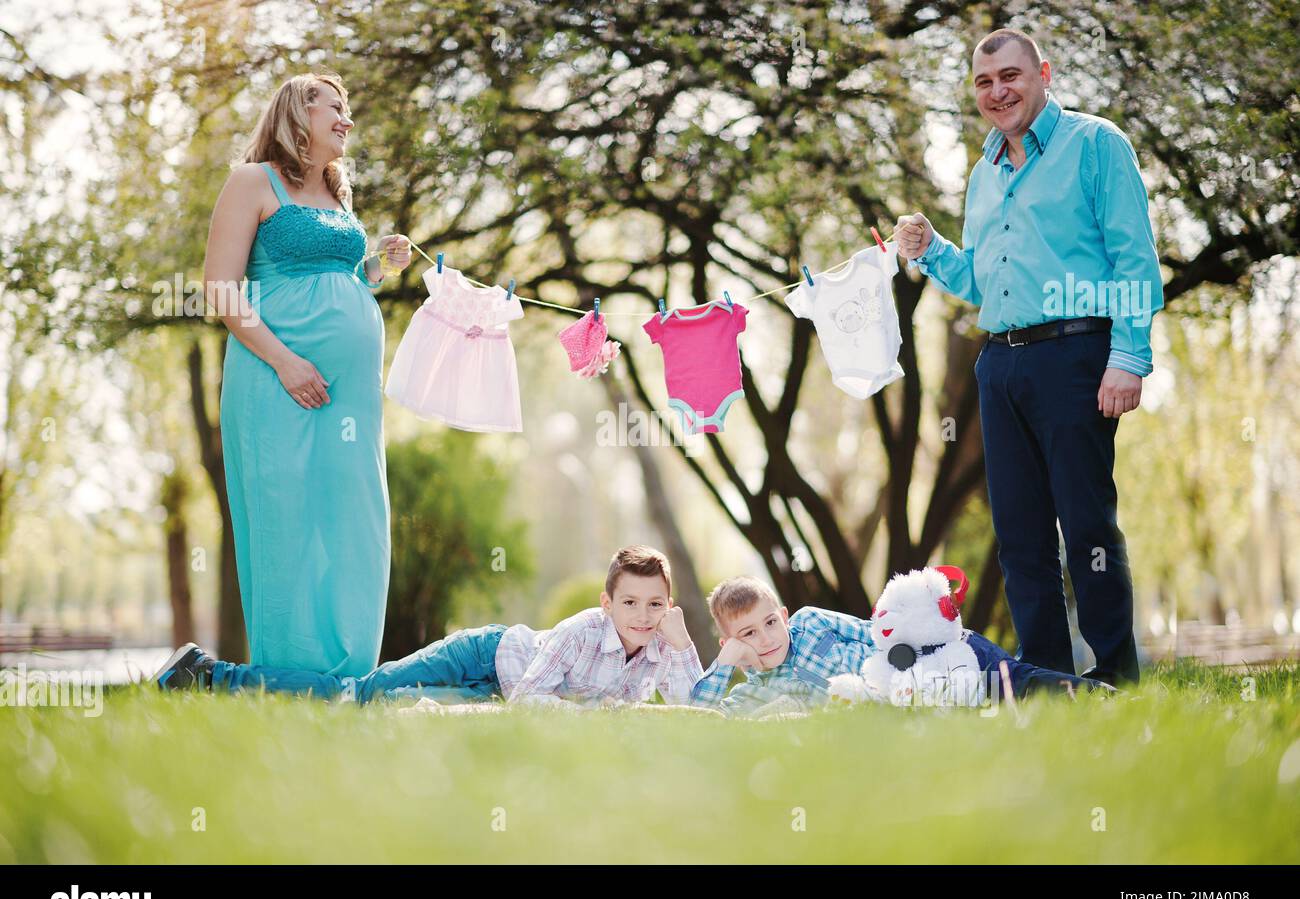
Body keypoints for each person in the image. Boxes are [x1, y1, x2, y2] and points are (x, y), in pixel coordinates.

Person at [893, 28, 1163, 685]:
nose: (998, 92)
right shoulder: (985, 172)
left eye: (1010, 76)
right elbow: (983, 282)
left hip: (1076, 355)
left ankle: (1114, 676)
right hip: (1001, 364)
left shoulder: (1096, 145)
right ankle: (1044, 678)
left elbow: (1134, 256)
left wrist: (1128, 356)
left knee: (1087, 527)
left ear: (1043, 72)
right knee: (1019, 536)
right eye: (984, 82)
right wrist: (931, 247)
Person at [203, 72, 411, 678]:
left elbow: (337, 281)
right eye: (335, 108)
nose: (347, 120)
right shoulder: (252, 181)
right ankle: (288, 674)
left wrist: (376, 266)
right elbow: (221, 287)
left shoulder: (337, 195)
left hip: (350, 396)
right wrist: (285, 361)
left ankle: (346, 672)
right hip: (275, 378)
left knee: (353, 515)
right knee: (284, 515)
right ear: (298, 114)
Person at [152, 546, 704, 707]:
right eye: (630, 603)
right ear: (606, 603)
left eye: (656, 605)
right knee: (359, 697)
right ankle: (209, 674)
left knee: (392, 716)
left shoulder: (662, 644)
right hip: (480, 658)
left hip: (493, 692)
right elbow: (531, 697)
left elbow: (692, 712)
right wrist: (601, 713)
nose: (643, 617)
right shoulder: (583, 630)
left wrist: (681, 648)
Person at [690, 576, 1107, 717]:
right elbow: (701, 715)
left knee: (1009, 680)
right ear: (731, 643)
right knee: (990, 702)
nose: (765, 639)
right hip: (911, 702)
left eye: (769, 623)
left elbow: (876, 632)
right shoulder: (757, 690)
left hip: (932, 657)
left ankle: (1096, 696)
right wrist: (725, 663)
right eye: (748, 635)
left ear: (782, 615)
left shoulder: (811, 621)